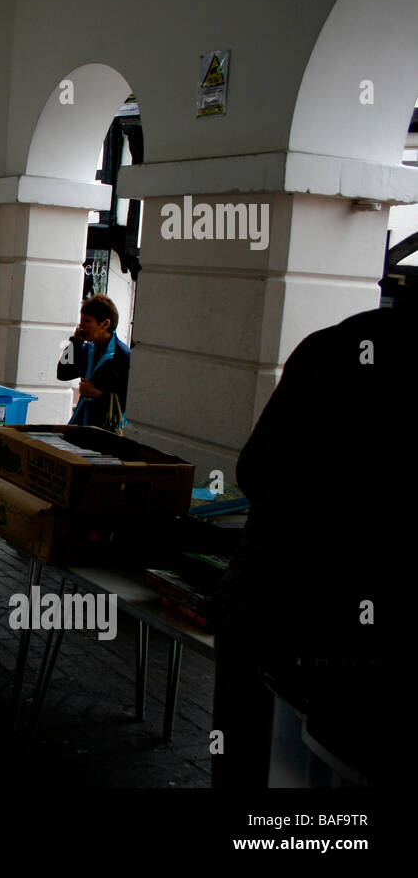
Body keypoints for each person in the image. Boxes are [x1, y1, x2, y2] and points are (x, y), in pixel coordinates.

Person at [210, 295, 410, 788]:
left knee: (249, 751)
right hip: (350, 623)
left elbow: (255, 470)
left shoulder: (332, 345)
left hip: (273, 600)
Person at [56, 293, 130, 432]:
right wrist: (74, 343)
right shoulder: (87, 350)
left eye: (87, 321)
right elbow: (63, 373)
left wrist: (97, 393)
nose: (82, 326)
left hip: (105, 430)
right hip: (82, 423)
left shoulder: (123, 356)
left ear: (105, 324)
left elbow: (128, 400)